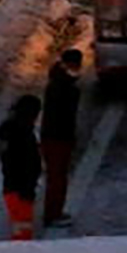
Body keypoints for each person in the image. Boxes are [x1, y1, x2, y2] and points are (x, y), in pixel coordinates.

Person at [40, 48, 84, 229]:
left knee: (57, 176)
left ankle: (54, 211)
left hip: (55, 136)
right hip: (58, 137)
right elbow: (62, 114)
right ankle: (52, 214)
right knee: (57, 177)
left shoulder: (59, 82)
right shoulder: (62, 86)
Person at [0, 94, 42, 241]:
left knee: (20, 229)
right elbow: (29, 164)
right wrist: (28, 189)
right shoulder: (25, 135)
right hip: (22, 191)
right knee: (23, 233)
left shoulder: (12, 133)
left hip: (12, 189)